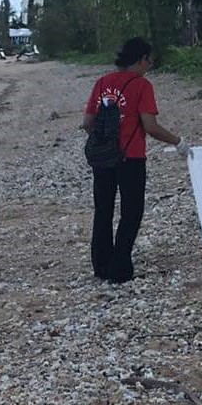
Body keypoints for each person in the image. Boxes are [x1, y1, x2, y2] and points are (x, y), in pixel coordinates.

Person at [80, 37, 188, 283]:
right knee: (131, 212)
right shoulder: (142, 85)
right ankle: (120, 267)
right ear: (140, 60)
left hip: (103, 158)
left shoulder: (102, 83)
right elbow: (150, 125)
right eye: (149, 60)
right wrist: (177, 141)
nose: (149, 65)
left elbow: (87, 123)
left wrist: (104, 143)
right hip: (132, 158)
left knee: (103, 210)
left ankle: (101, 264)